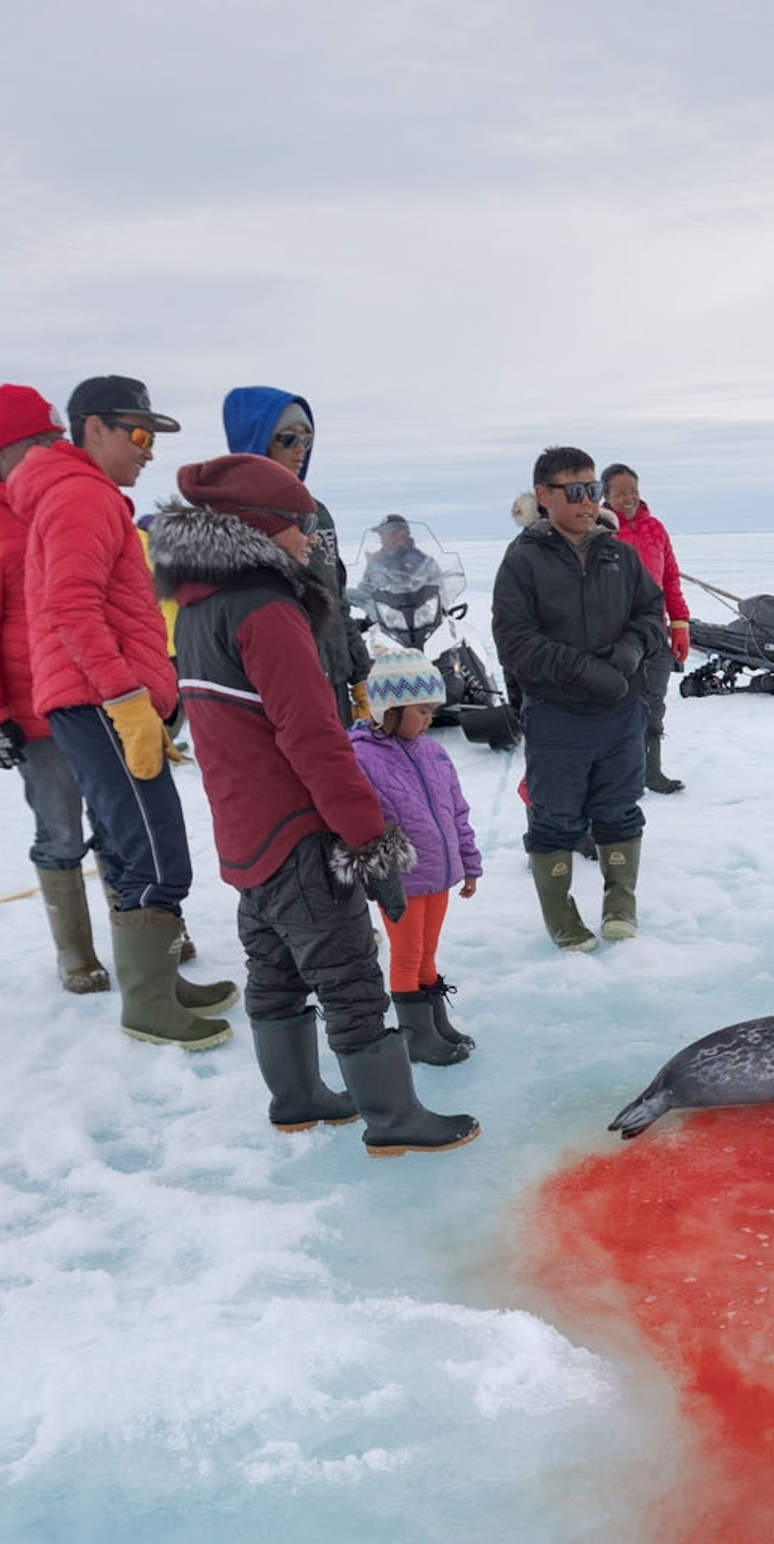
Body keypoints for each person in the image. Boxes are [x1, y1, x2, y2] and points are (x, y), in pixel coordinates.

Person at [152, 456, 476, 1155]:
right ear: (267, 531)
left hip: (244, 837)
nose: (311, 542)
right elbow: (314, 738)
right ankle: (395, 1121)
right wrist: (369, 839)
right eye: (302, 527)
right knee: (350, 977)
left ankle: (296, 1098)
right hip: (299, 834)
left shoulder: (200, 608)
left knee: (272, 974)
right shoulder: (268, 611)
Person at [9, 375, 236, 1049]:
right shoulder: (80, 496)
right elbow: (70, 608)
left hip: (103, 701)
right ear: (94, 428)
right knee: (153, 852)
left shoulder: (87, 495)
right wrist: (127, 697)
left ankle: (158, 982)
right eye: (137, 434)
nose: (147, 450)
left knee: (136, 843)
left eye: (153, 437)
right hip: (98, 703)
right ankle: (147, 1005)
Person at [0, 384, 111, 993]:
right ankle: (76, 954)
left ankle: (147, 933)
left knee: (123, 830)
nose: (48, 451)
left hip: (106, 703)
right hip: (38, 720)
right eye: (37, 442)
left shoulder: (77, 500)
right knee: (60, 833)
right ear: (3, 451)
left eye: (54, 439)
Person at [492, 445, 670, 951]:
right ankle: (561, 916)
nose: (587, 501)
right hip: (557, 717)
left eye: (591, 490)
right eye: (574, 491)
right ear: (544, 496)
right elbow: (516, 643)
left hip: (620, 714)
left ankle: (620, 903)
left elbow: (649, 614)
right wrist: (590, 673)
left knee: (619, 809)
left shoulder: (620, 553)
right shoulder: (522, 561)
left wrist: (630, 653)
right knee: (554, 818)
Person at [348, 645, 484, 1065]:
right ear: (390, 709)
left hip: (439, 874)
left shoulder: (435, 753)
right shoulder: (361, 757)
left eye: (432, 711)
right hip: (402, 880)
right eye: (421, 711)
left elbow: (456, 811)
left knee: (428, 953)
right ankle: (415, 1036)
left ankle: (433, 1022)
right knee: (407, 955)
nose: (429, 720)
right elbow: (360, 823)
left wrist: (469, 862)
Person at [222, 385, 369, 725]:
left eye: (308, 440)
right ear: (255, 440)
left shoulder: (318, 514)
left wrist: (359, 673)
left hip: (331, 685)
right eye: (288, 439)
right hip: (271, 697)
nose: (301, 450)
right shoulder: (230, 521)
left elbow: (335, 600)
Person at [600, 464, 689, 794]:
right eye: (620, 493)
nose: (628, 499)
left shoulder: (655, 528)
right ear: (606, 496)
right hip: (616, 636)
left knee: (654, 702)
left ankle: (652, 772)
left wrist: (679, 625)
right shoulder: (600, 530)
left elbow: (670, 580)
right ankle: (619, 776)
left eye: (632, 491)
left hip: (656, 632)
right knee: (619, 706)